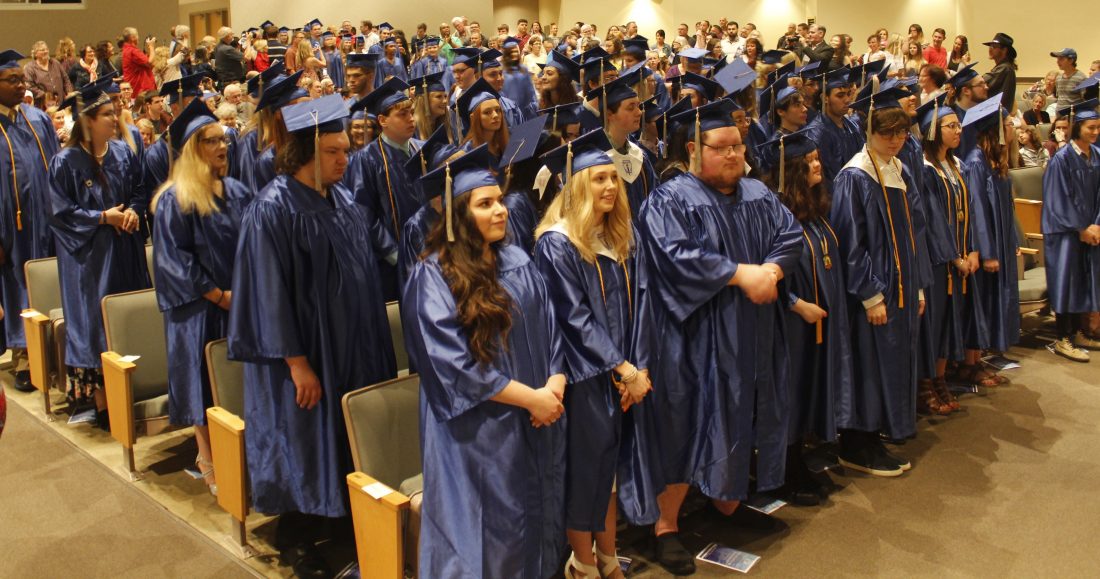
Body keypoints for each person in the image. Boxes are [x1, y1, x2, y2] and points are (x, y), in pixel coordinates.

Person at [228, 95, 397, 578]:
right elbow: (266, 294)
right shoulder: (272, 210)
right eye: (333, 152)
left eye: (347, 149)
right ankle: (297, 537)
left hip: (351, 348)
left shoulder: (342, 200)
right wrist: (297, 363)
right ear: (303, 151)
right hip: (305, 357)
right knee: (302, 439)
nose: (346, 159)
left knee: (344, 436)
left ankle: (344, 521)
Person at [632, 99, 802, 575]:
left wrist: (770, 268)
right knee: (686, 421)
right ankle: (664, 525)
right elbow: (674, 257)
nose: (733, 155)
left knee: (740, 411)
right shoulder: (670, 199)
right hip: (692, 334)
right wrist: (739, 274)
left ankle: (725, 501)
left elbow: (790, 236)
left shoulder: (756, 193)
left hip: (747, 331)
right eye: (721, 147)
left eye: (738, 146)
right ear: (693, 148)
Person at [403, 144, 567, 578]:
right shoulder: (433, 276)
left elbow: (552, 322)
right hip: (479, 434)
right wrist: (532, 399)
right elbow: (454, 368)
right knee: (489, 532)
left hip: (536, 417)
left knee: (536, 520)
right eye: (485, 204)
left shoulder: (516, 257)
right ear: (458, 214)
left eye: (499, 201)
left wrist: (555, 381)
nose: (501, 211)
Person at [533, 129, 649, 579]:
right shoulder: (557, 243)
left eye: (613, 179)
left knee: (612, 472)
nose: (609, 187)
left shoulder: (618, 235)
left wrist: (636, 369)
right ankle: (581, 562)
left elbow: (642, 299)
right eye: (598, 179)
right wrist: (621, 368)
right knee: (586, 470)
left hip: (622, 374)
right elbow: (573, 319)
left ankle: (607, 556)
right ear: (577, 186)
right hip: (584, 376)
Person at [150, 98, 250, 494]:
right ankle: (207, 453)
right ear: (193, 149)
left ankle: (240, 453)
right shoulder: (175, 199)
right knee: (203, 383)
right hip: (198, 310)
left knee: (236, 381)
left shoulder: (238, 190)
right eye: (211, 141)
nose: (222, 146)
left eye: (223, 139)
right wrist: (218, 295)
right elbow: (174, 260)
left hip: (238, 302)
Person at [829, 83, 926, 476]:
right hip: (870, 289)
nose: (897, 140)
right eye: (888, 133)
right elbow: (851, 243)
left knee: (890, 360)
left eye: (902, 133)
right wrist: (871, 295)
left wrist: (916, 284)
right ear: (870, 131)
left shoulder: (896, 169)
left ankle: (877, 435)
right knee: (867, 365)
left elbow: (911, 233)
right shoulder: (855, 176)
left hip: (900, 284)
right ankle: (857, 443)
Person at [758, 130, 853, 506]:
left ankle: (798, 459)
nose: (818, 164)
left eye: (818, 157)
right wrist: (797, 304)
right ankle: (781, 471)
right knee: (788, 394)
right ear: (793, 168)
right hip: (789, 323)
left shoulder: (813, 209)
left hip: (815, 321)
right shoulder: (773, 214)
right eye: (810, 160)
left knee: (805, 390)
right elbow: (765, 270)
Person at [50, 80, 151, 426]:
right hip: (90, 260)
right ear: (88, 120)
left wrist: (136, 210)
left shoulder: (122, 152)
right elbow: (60, 214)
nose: (115, 117)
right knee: (97, 327)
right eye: (107, 113)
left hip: (126, 250)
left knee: (127, 319)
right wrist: (102, 218)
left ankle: (132, 395)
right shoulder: (66, 162)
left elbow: (140, 189)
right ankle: (104, 405)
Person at [0, 49, 62, 392]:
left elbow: (55, 167)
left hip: (46, 220)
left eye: (21, 78)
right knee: (17, 287)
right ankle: (25, 357)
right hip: (11, 229)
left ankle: (51, 354)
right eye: (12, 80)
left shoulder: (36, 119)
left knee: (45, 283)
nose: (20, 85)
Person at [915, 94, 970, 414]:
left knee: (949, 320)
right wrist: (952, 255)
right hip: (939, 260)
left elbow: (968, 209)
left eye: (958, 124)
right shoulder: (925, 170)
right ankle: (926, 384)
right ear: (934, 131)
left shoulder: (955, 165)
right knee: (933, 324)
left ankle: (940, 377)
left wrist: (972, 249)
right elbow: (932, 219)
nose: (958, 130)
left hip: (959, 256)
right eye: (951, 125)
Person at [961, 95, 1020, 376]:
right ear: (996, 129)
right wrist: (988, 252)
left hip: (1001, 242)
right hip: (988, 248)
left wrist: (1013, 241)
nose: (1013, 128)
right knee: (982, 302)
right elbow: (977, 211)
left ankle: (984, 354)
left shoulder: (993, 160)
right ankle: (972, 362)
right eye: (1009, 123)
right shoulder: (975, 162)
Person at [345, 77, 418, 300]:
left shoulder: (421, 150)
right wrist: (394, 253)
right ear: (382, 121)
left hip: (428, 253)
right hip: (391, 262)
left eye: (411, 113)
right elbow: (363, 212)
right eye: (402, 114)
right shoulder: (365, 160)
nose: (411, 119)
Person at [1041, 99, 1100, 361]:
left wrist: (1096, 224)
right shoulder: (1061, 159)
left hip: (1090, 230)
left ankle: (1077, 332)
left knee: (1084, 279)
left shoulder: (1097, 156)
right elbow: (1057, 199)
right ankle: (1062, 338)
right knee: (1067, 281)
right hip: (1064, 232)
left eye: (1098, 128)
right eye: (1091, 127)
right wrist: (1080, 227)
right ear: (1078, 127)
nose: (1095, 132)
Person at [805, 67, 864, 188]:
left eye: (848, 94)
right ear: (825, 98)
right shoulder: (816, 133)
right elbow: (827, 178)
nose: (847, 100)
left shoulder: (852, 125)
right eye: (840, 95)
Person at [24, 40, 73, 109]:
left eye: (46, 49)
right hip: (42, 107)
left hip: (61, 104)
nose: (46, 51)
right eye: (42, 50)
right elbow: (29, 86)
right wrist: (46, 96)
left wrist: (69, 92)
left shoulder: (55, 63)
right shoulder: (29, 68)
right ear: (35, 54)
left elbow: (65, 78)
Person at [981, 34, 1016, 112]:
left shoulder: (1004, 68)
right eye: (990, 46)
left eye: (994, 46)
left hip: (997, 115)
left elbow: (981, 82)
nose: (990, 49)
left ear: (1004, 50)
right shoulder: (1004, 67)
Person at [410, 71, 449, 140]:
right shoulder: (412, 129)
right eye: (439, 97)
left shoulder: (444, 123)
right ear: (424, 101)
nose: (445, 101)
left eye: (445, 96)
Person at [121, 27, 156, 95]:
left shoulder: (126, 49)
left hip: (135, 87)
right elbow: (150, 63)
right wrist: (151, 46)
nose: (138, 37)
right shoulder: (133, 51)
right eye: (137, 35)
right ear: (132, 38)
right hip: (141, 88)